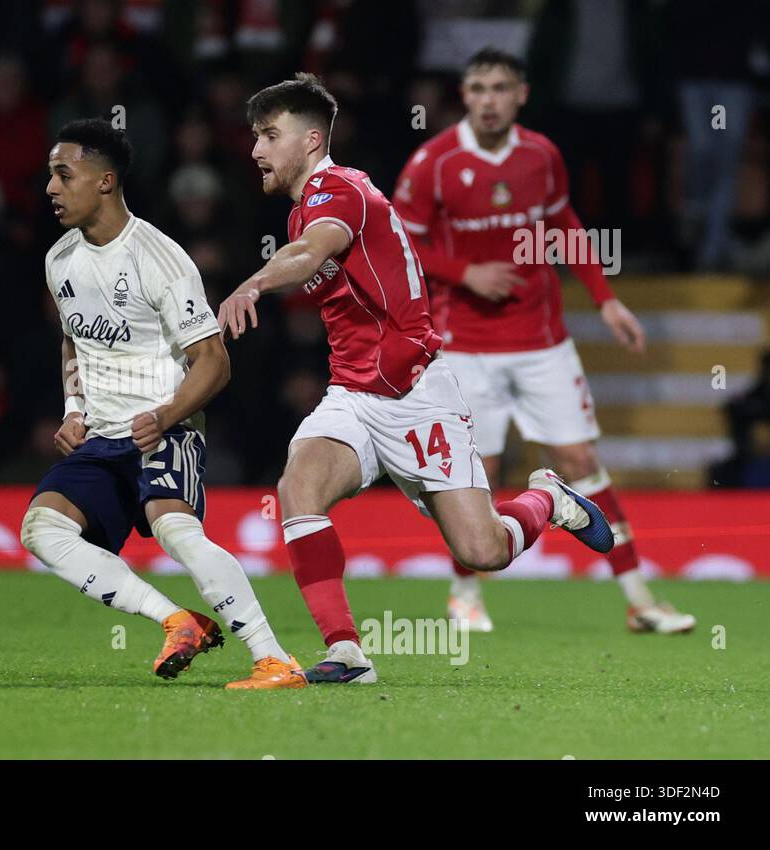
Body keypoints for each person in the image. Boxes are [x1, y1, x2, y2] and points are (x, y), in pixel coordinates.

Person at [217, 73, 616, 684]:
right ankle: (347, 653)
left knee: (483, 551)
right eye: (255, 137)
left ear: (312, 140)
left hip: (414, 395)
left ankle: (548, 498)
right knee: (299, 488)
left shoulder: (339, 192)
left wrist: (253, 282)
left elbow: (307, 254)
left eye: (270, 135)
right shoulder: (303, 211)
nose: (256, 150)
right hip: (352, 394)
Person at [394, 48, 694, 635]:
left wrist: (605, 298)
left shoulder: (541, 154)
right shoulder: (433, 161)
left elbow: (565, 225)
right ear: (465, 94)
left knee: (582, 461)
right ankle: (465, 596)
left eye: (500, 87)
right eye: (477, 88)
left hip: (542, 342)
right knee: (479, 470)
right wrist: (464, 274)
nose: (487, 99)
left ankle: (641, 600)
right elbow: (404, 243)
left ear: (521, 94)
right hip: (465, 346)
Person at [20, 118, 305, 690]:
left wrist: (167, 416)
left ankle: (275, 658)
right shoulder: (59, 260)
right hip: (101, 434)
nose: (50, 188)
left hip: (165, 428)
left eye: (62, 174)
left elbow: (215, 361)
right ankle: (177, 620)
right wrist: (74, 407)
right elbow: (74, 341)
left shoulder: (161, 259)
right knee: (41, 529)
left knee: (176, 533)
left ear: (105, 181)